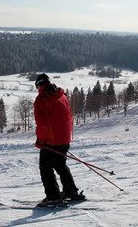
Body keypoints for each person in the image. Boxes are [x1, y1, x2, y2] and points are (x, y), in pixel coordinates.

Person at [33, 73, 84, 206]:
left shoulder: (41, 99)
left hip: (51, 140)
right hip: (65, 137)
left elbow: (42, 123)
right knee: (60, 164)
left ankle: (53, 197)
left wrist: (40, 141)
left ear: (38, 85)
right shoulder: (62, 95)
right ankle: (70, 191)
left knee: (45, 167)